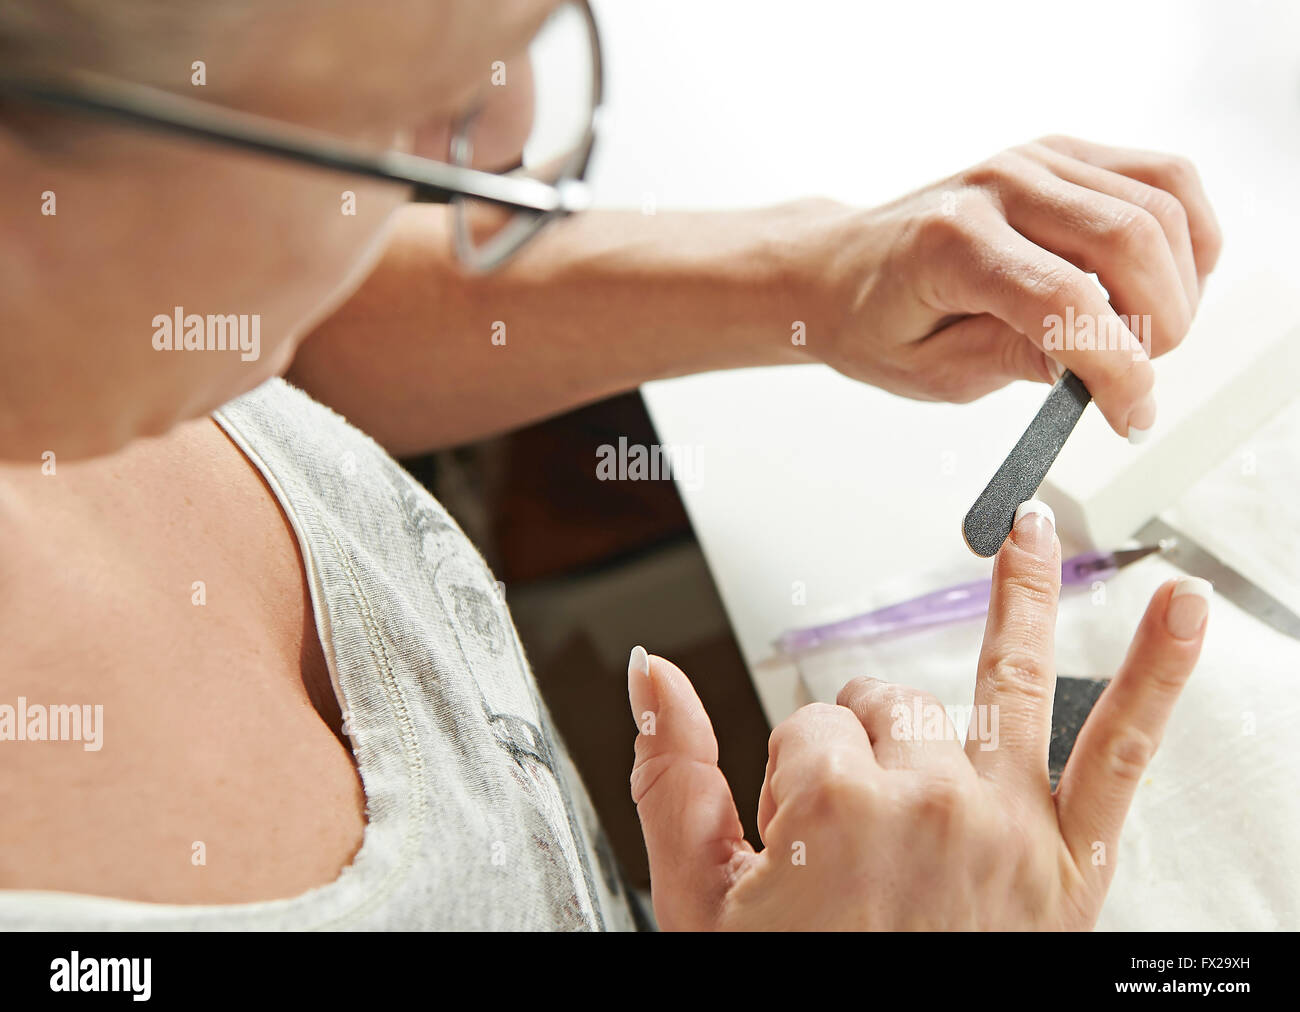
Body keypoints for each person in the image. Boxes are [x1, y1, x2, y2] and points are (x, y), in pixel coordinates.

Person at [0, 0, 1218, 929]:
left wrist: (814, 279)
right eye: (403, 136)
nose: (515, 143)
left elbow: (245, 335)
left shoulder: (117, 305)